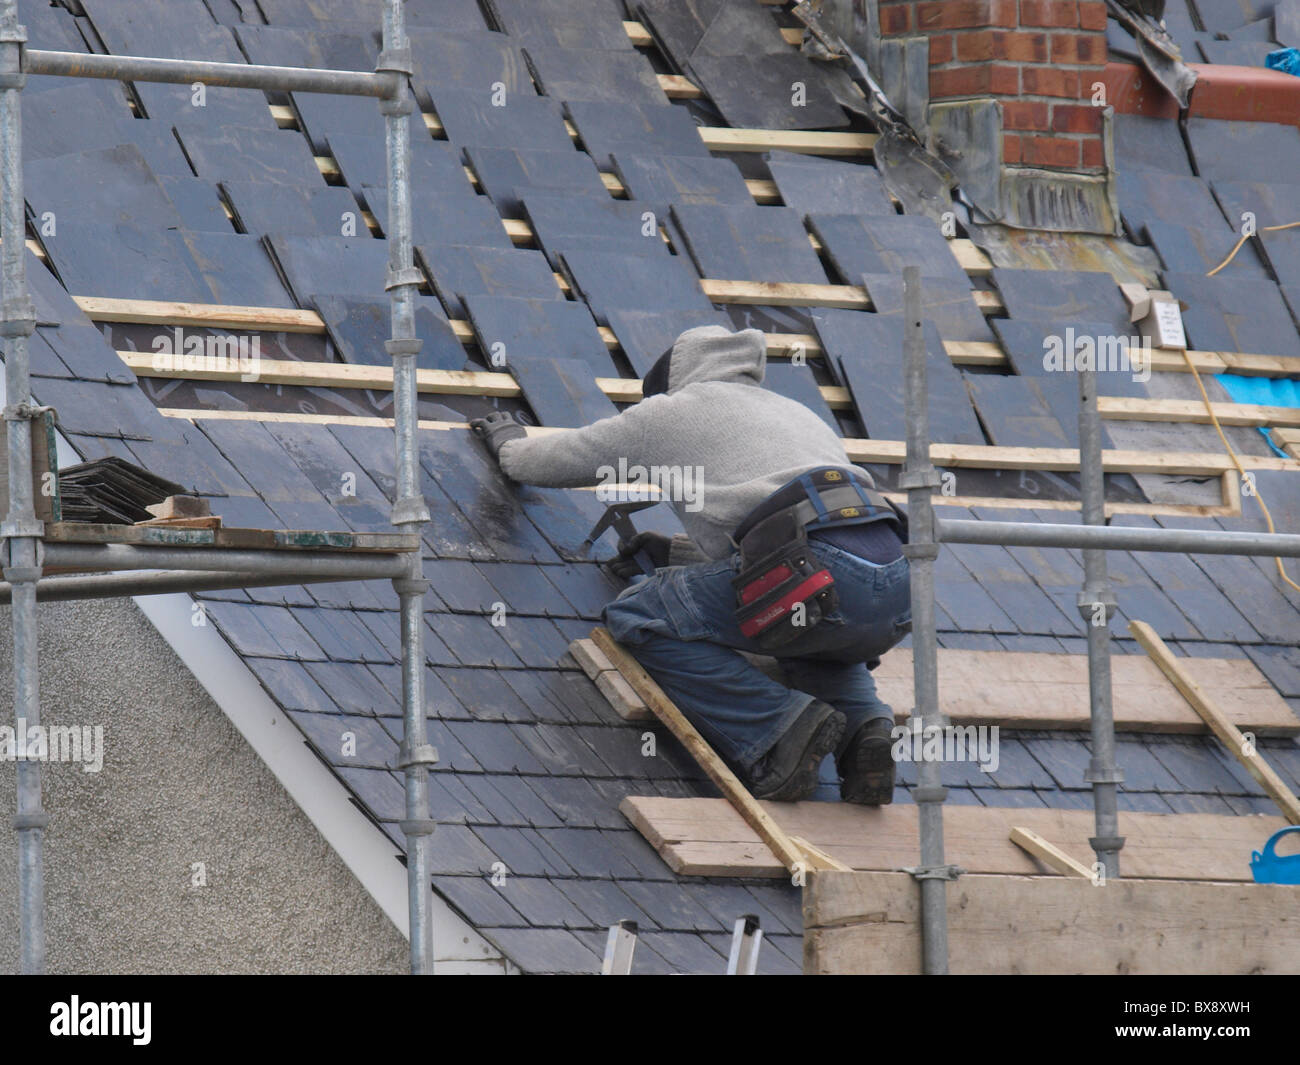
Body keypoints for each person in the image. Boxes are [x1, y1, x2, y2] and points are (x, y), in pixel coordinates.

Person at [470, 325, 911, 804]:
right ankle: (865, 729)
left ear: (678, 377)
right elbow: (797, 522)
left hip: (812, 571)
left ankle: (779, 729)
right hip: (893, 582)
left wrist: (509, 444)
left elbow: (559, 460)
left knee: (643, 614)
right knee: (810, 634)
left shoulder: (675, 410)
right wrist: (680, 555)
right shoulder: (798, 413)